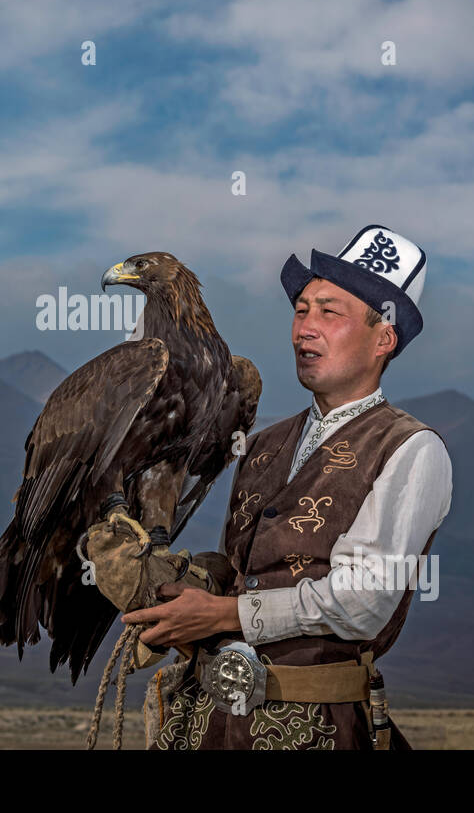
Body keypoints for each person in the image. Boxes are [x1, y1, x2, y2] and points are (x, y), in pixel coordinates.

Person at [122, 224, 453, 749]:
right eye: (301, 310)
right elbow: (247, 574)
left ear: (383, 338)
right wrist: (185, 586)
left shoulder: (411, 449)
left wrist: (223, 614)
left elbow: (364, 601)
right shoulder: (263, 443)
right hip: (206, 721)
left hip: (316, 729)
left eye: (329, 312)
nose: (305, 328)